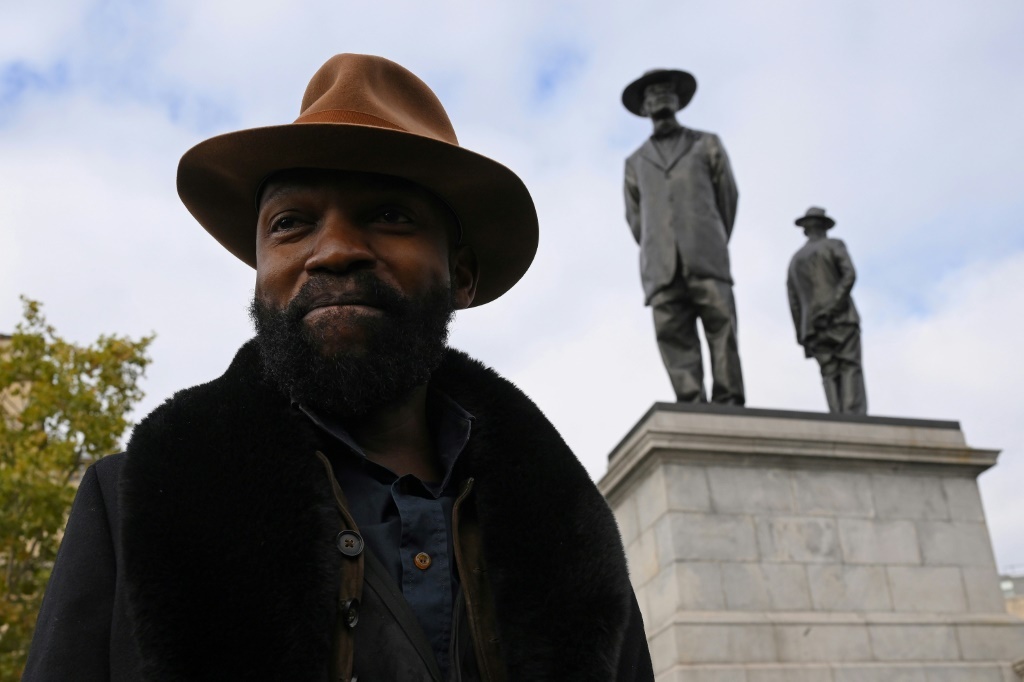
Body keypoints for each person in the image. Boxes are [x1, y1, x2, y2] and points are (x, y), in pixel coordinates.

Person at [24, 53, 653, 682]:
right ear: (261, 271)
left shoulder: (571, 540)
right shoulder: (132, 506)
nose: (334, 251)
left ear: (460, 275)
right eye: (290, 223)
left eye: (389, 215)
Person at [622, 68, 745, 405]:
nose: (659, 96)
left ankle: (729, 400)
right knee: (673, 334)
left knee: (722, 325)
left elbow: (728, 198)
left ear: (678, 100)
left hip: (706, 254)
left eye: (666, 90)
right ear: (643, 107)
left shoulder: (707, 143)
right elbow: (635, 218)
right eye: (651, 93)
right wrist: (659, 244)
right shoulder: (635, 162)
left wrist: (710, 236)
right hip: (661, 265)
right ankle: (691, 403)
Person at [787, 206, 867, 414]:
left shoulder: (795, 260)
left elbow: (793, 303)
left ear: (806, 230)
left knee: (828, 371)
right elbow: (849, 275)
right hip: (841, 318)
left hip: (812, 327)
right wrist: (834, 306)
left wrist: (802, 335)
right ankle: (852, 416)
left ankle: (836, 414)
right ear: (824, 227)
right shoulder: (834, 245)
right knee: (849, 364)